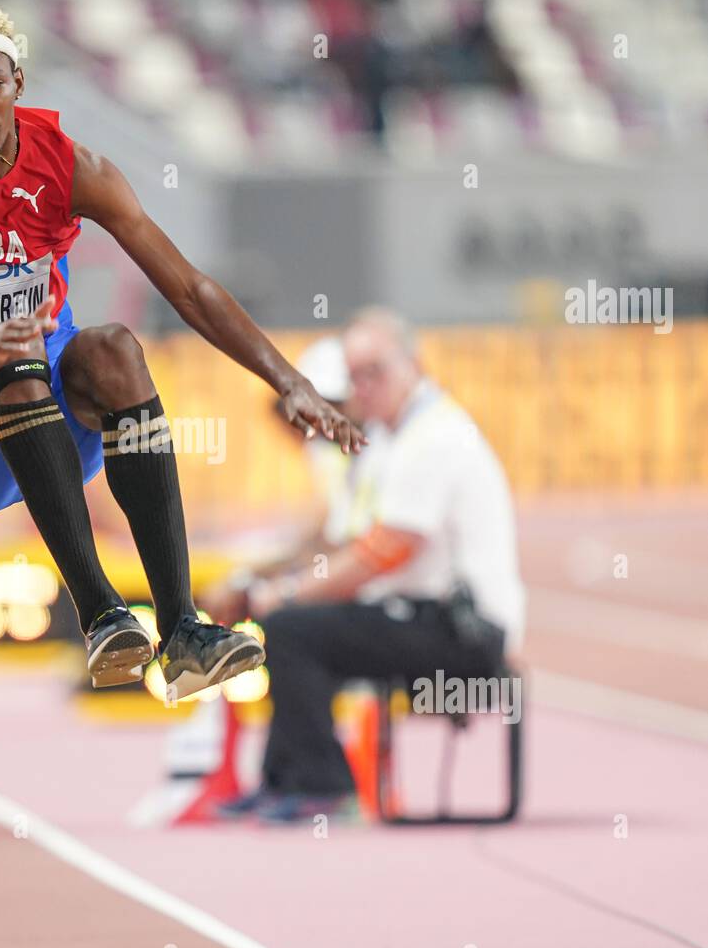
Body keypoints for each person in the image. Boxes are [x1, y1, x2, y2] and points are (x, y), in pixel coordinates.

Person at [0, 0, 365, 698]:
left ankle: (183, 630)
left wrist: (287, 381)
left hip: (57, 428)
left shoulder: (72, 168)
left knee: (115, 348)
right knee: (12, 355)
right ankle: (100, 613)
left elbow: (188, 287)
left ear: (17, 84)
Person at [205, 308, 525, 824]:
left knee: (292, 628)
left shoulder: (434, 438)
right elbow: (339, 544)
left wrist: (288, 595)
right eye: (356, 377)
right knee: (297, 626)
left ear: (414, 364)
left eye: (375, 372)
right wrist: (261, 584)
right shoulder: (389, 440)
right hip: (418, 613)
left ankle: (322, 785)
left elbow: (383, 552)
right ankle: (286, 777)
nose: (364, 388)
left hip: (465, 630)